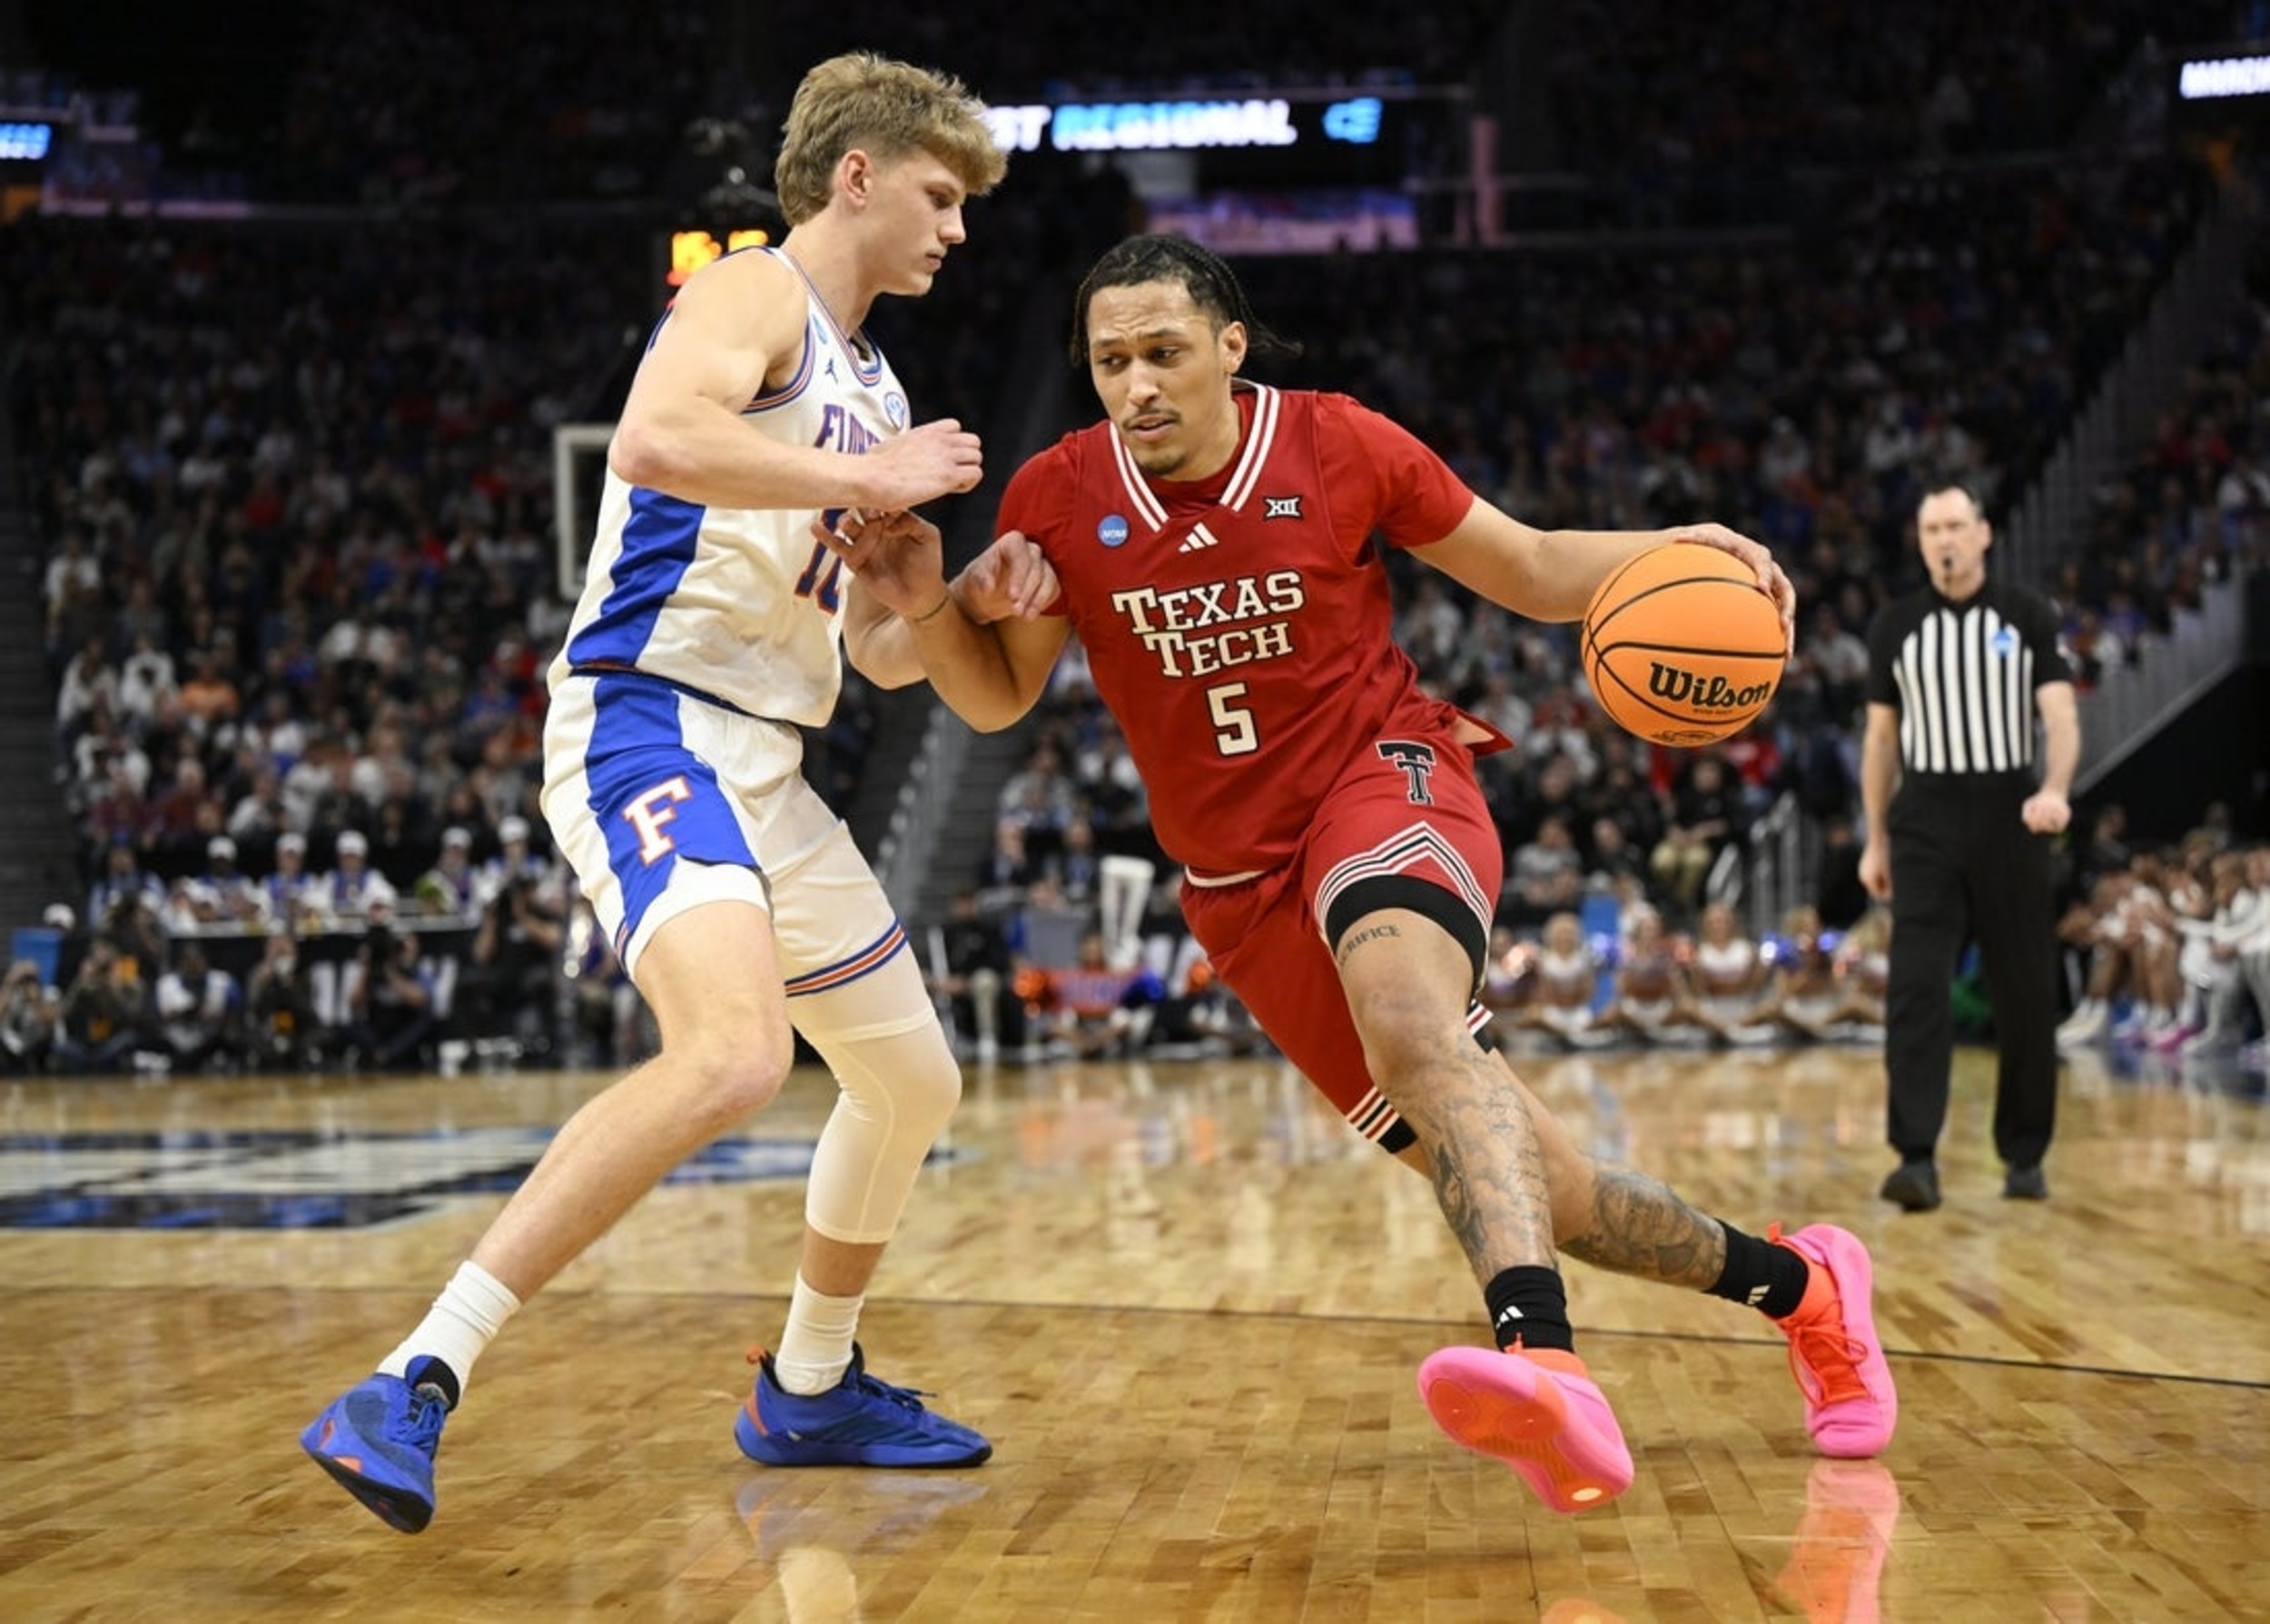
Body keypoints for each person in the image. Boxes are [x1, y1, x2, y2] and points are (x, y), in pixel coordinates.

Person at [840, 233, 1895, 1514]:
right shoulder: (1061, 494)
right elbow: (995, 697)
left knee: (1410, 1020)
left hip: (1383, 782)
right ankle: (1808, 1288)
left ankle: (1545, 1364)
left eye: (1164, 352)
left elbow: (1531, 567)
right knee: (1542, 1186)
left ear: (1231, 346)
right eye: (1112, 360)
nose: (1139, 384)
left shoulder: (1341, 444)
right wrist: (938, 607)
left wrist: (1670, 546)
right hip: (1235, 889)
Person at [301, 51, 1051, 1534]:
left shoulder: (876, 380)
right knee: (733, 1055)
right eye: (940, 193)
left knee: (914, 1076)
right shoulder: (753, 295)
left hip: (771, 756)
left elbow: (893, 662)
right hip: (652, 722)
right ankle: (412, 1372)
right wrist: (873, 474)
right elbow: (652, 439)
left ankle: (812, 1382)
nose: (957, 228)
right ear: (857, 174)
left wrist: (948, 591)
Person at [1859, 481, 2078, 1210]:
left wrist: (2054, 787)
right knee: (1917, 986)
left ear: (1984, 533)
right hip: (1925, 811)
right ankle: (1915, 1156)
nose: (1944, 539)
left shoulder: (2027, 615)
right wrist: (1876, 838)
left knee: (2025, 984)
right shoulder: (1896, 624)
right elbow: (1881, 739)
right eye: (1930, 529)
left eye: (1956, 525)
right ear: (1919, 541)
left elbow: (2060, 715)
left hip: (2008, 807)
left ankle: (2024, 1153)